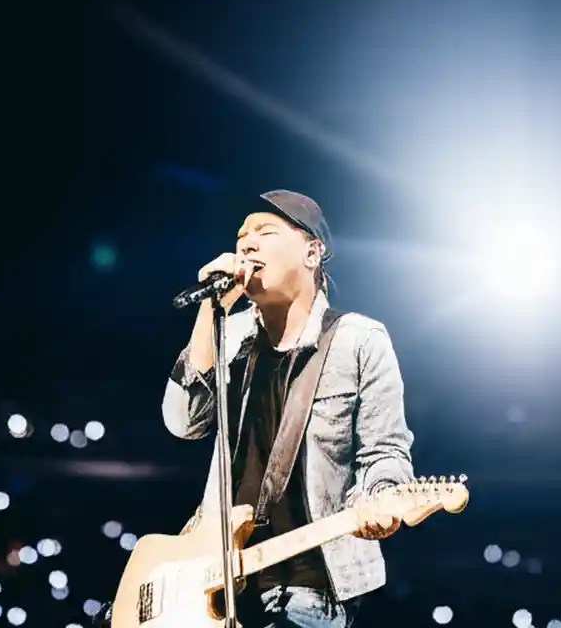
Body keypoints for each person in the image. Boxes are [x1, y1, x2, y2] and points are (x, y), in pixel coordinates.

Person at [162, 189, 416, 628]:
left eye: (265, 231)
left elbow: (386, 451)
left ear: (312, 252)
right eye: (242, 236)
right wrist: (210, 311)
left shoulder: (359, 339)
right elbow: (184, 421)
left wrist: (381, 498)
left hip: (310, 586)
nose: (247, 244)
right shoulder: (231, 333)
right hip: (219, 582)